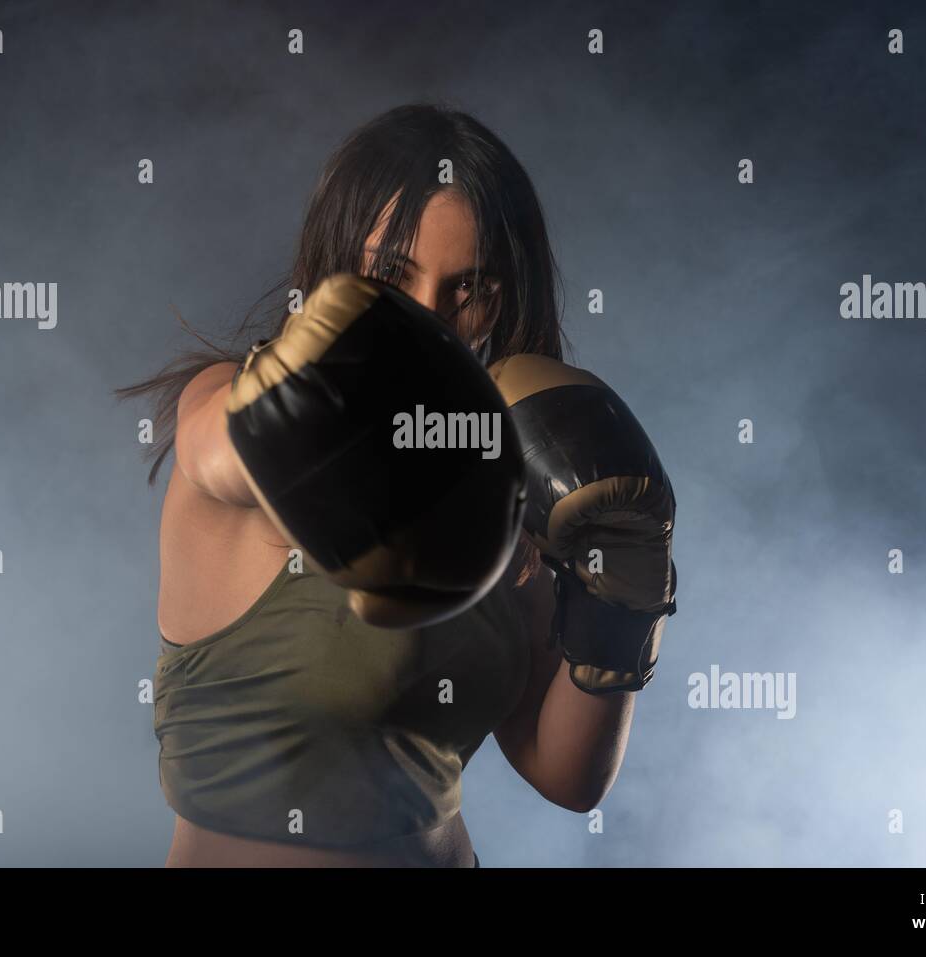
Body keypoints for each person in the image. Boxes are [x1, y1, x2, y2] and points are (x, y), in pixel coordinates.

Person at [118, 103, 677, 867]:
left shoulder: (513, 486)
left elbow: (567, 775)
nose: (428, 315)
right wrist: (336, 399)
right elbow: (219, 449)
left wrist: (624, 588)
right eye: (389, 273)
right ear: (329, 265)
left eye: (468, 287)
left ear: (503, 297)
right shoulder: (235, 408)